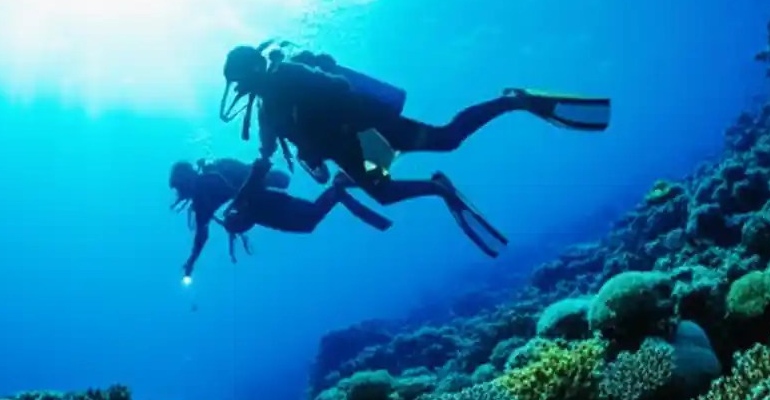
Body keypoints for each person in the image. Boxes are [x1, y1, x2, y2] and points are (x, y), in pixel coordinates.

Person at [217, 41, 611, 257]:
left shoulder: (286, 75)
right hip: (353, 149)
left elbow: (337, 87)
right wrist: (248, 190)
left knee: (447, 139)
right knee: (388, 192)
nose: (239, 89)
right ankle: (439, 187)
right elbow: (266, 155)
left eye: (239, 79)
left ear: (252, 69)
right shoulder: (267, 109)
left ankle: (513, 100)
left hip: (367, 132)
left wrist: (344, 128)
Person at [171, 156, 392, 279]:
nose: (181, 192)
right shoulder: (203, 199)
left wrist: (192, 261)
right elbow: (202, 234)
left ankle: (341, 184)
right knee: (309, 221)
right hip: (265, 209)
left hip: (269, 203)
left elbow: (243, 188)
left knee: (310, 218)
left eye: (180, 185)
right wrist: (191, 261)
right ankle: (343, 186)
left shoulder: (209, 182)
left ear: (187, 178)